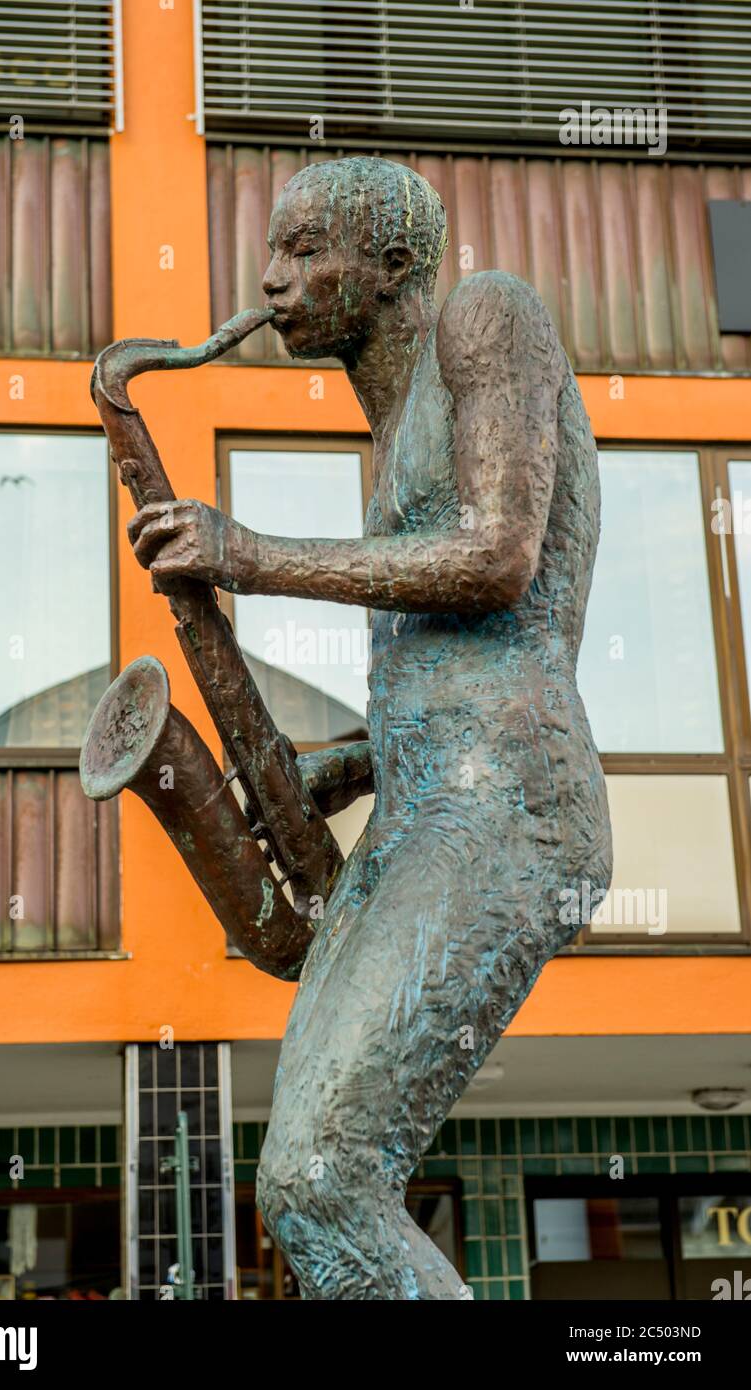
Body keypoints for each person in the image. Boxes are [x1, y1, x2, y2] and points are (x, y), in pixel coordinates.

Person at [127, 157, 612, 1300]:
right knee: (300, 1186)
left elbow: (499, 558)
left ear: (394, 270)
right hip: (422, 815)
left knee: (321, 1176)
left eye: (303, 252)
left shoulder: (490, 318)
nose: (271, 280)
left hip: (508, 811)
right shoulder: (393, 424)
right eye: (271, 253)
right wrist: (330, 769)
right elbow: (448, 668)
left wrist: (247, 556)